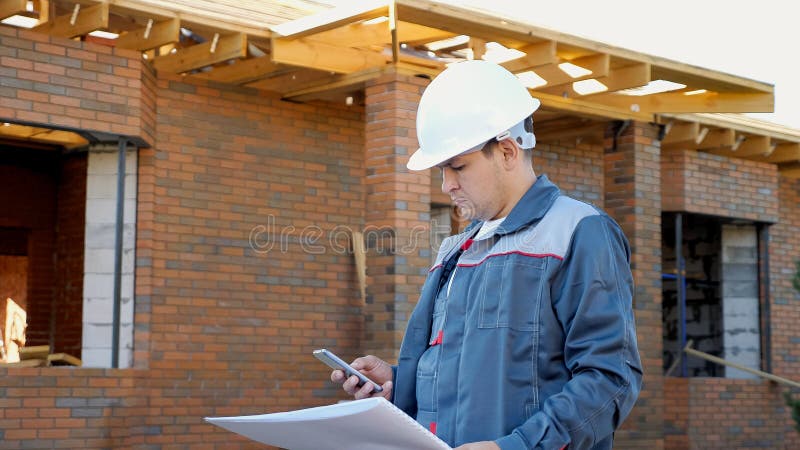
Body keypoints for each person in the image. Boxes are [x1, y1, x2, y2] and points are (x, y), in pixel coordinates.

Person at [331, 60, 642, 450]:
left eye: (457, 166)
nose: (446, 185)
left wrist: (515, 446)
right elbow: (462, 378)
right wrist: (396, 385)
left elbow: (611, 379)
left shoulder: (579, 232)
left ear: (508, 151)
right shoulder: (455, 251)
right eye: (442, 170)